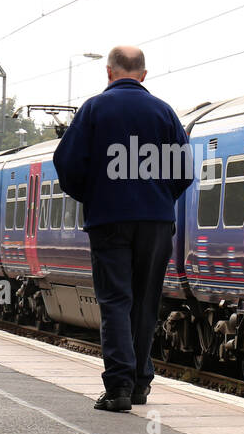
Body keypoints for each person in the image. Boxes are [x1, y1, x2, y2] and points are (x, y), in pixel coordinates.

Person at [53, 45, 192, 412]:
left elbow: (66, 163)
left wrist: (95, 195)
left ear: (110, 72)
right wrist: (159, 198)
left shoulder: (94, 109)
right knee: (146, 303)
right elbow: (185, 169)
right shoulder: (164, 112)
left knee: (115, 301)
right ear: (143, 74)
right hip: (156, 223)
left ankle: (118, 389)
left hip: (108, 220)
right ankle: (140, 386)